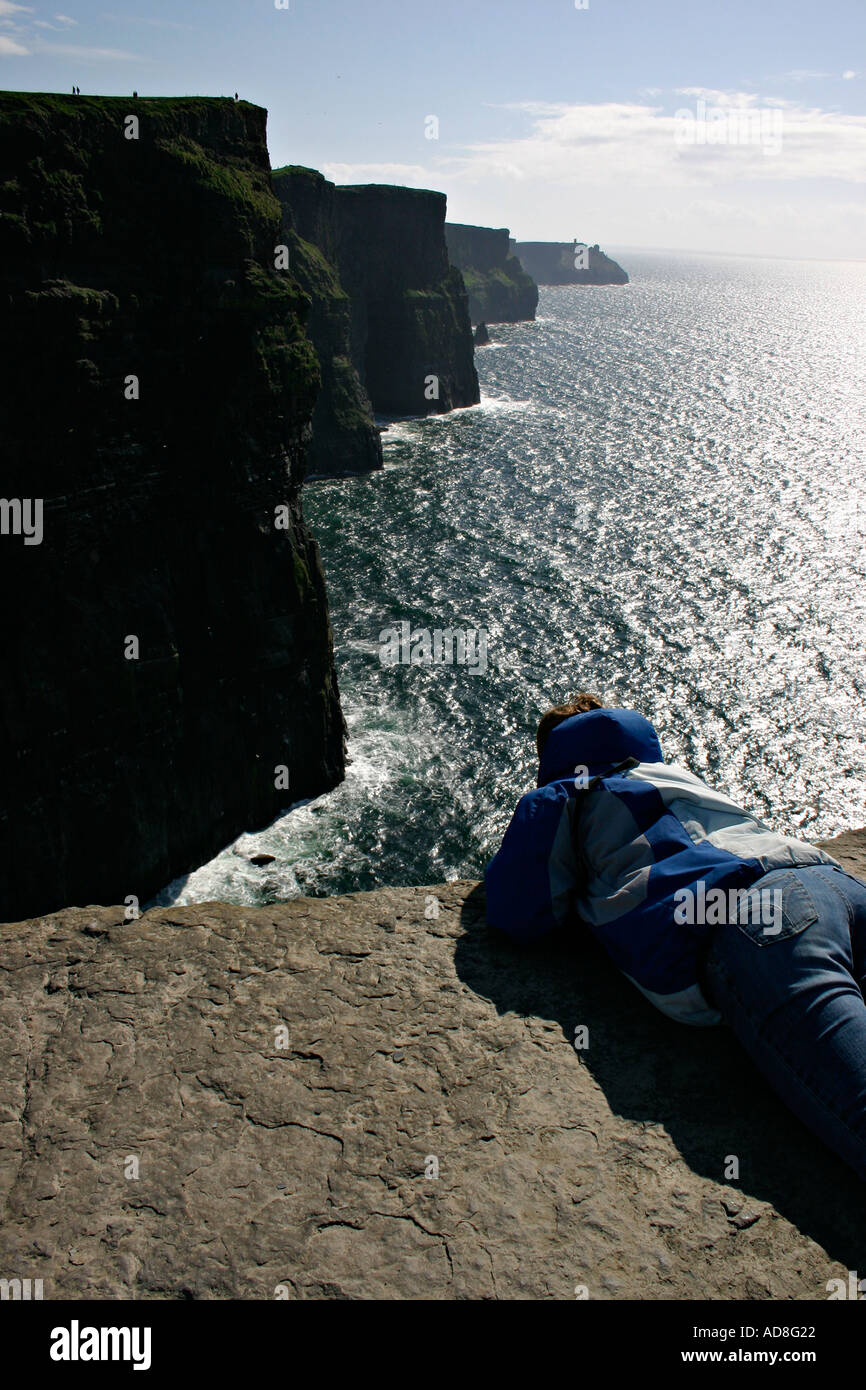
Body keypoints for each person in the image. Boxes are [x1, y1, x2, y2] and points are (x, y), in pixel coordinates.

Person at [485, 693, 866, 1181]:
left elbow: (517, 911)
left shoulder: (563, 796)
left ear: (555, 754)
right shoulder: (677, 777)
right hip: (830, 881)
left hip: (758, 921)